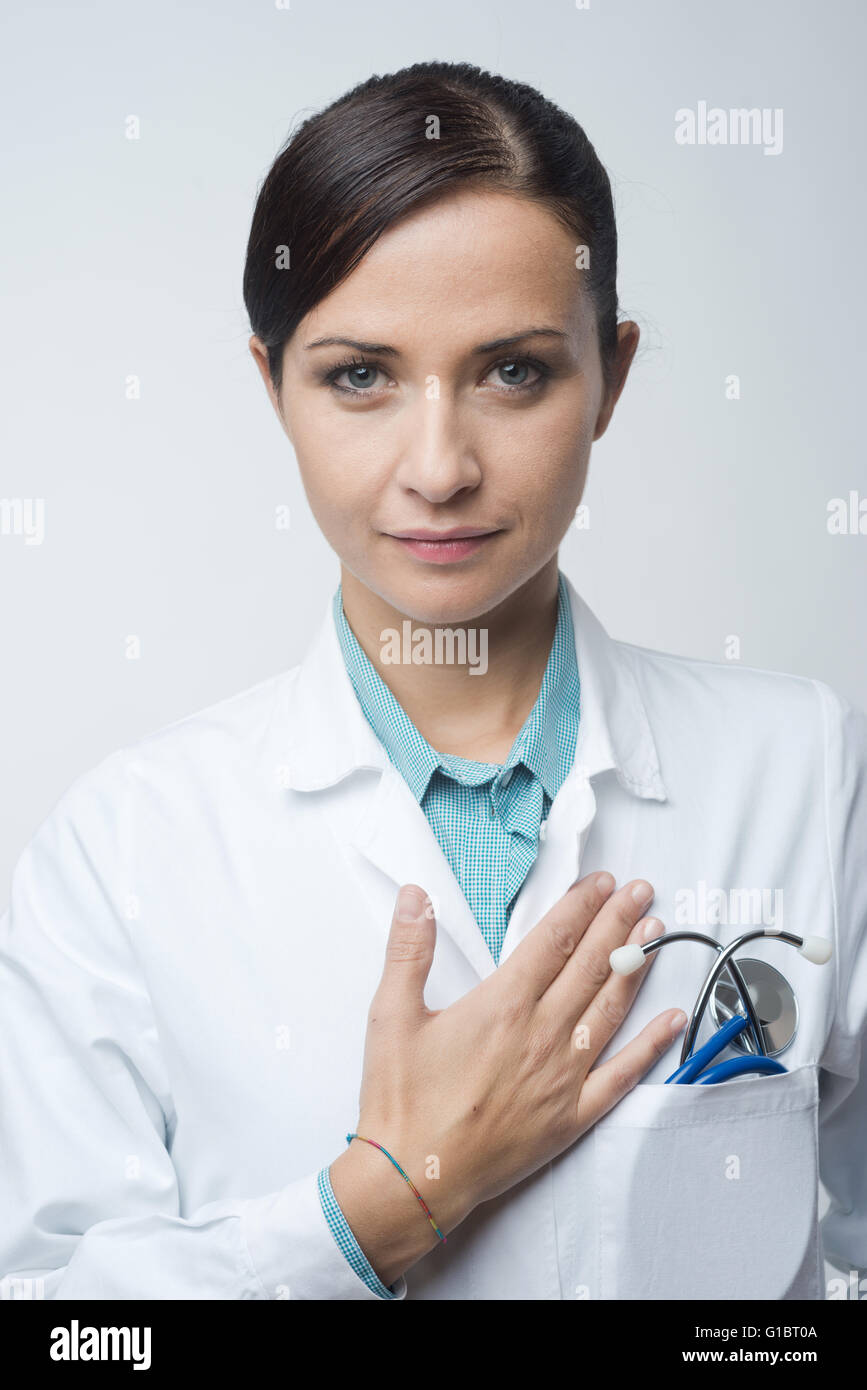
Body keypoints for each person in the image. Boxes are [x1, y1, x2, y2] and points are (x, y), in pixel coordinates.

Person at [1, 60, 865, 1302]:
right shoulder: (120, 852)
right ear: (273, 388)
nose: (440, 465)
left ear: (611, 378)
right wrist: (386, 1202)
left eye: (513, 370)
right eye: (359, 375)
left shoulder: (808, 767)